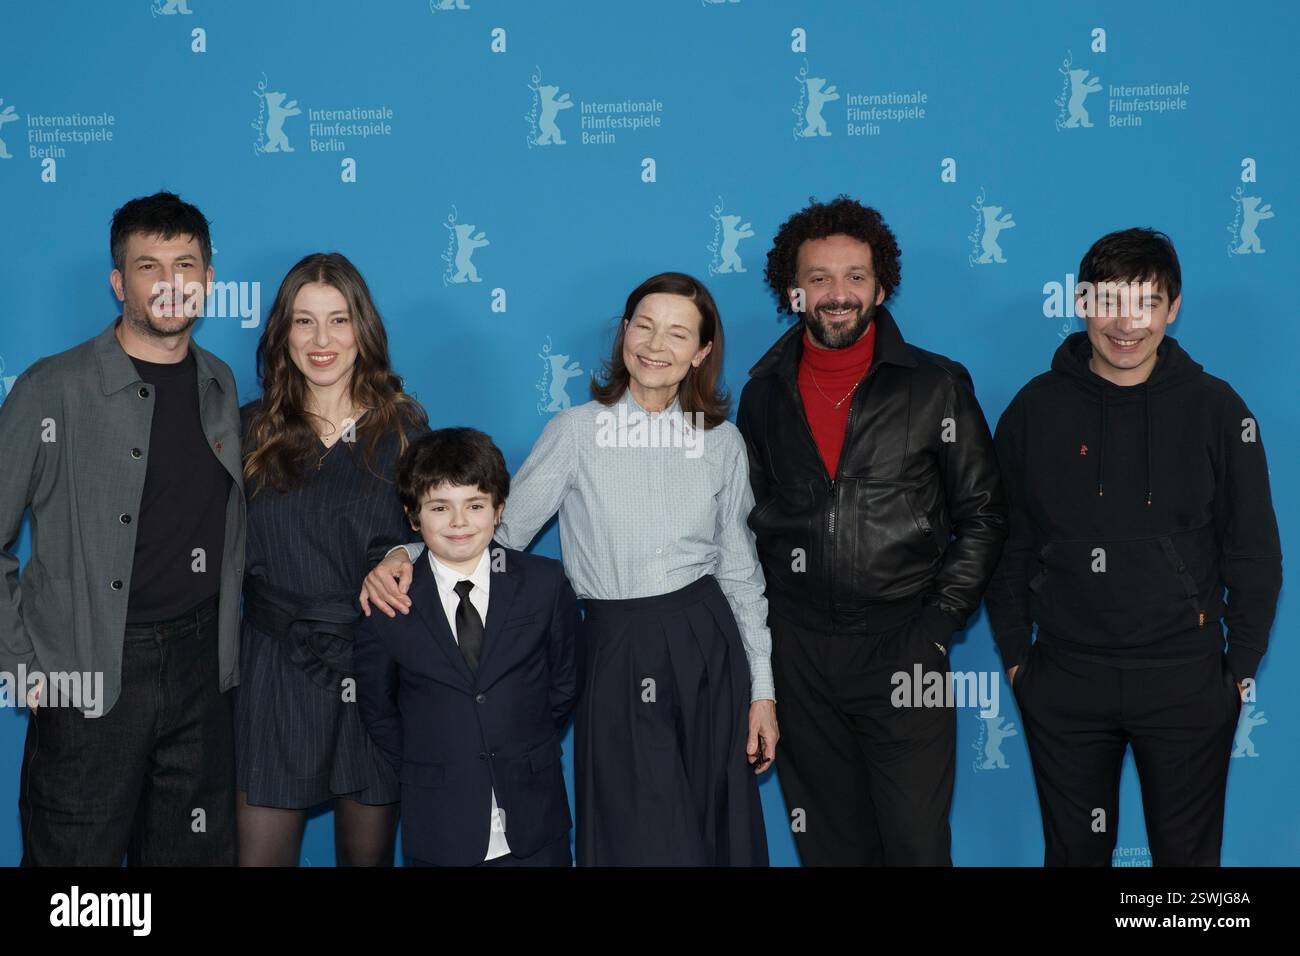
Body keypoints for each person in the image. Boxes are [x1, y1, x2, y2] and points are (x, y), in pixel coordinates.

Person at [362, 272, 774, 866]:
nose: (656, 345)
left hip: (708, 645)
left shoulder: (723, 443)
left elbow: (739, 572)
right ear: (624, 332)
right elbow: (495, 531)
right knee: (641, 832)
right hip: (614, 647)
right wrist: (405, 554)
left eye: (678, 334)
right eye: (645, 326)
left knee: (714, 826)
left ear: (701, 353)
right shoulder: (576, 433)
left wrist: (762, 691)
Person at [986, 227, 1282, 866]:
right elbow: (1005, 547)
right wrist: (1018, 661)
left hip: (1186, 683)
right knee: (1073, 856)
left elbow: (1254, 550)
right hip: (1064, 679)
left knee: (1186, 875)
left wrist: (1240, 672)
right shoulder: (1033, 413)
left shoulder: (1217, 410)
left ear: (1172, 308)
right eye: (1110, 301)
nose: (1127, 323)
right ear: (1083, 303)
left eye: (1146, 302)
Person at [738, 195, 1007, 865]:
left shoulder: (938, 385)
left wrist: (938, 624)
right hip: (799, 653)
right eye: (819, 278)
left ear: (881, 286)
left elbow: (984, 514)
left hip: (903, 649)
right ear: (793, 290)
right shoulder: (762, 393)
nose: (838, 294)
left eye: (856, 276)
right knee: (830, 847)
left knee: (915, 847)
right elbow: (747, 523)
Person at [1, 191, 245, 865]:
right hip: (88, 667)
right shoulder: (52, 389)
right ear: (119, 283)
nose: (170, 282)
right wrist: (21, 665)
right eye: (149, 265)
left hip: (202, 670)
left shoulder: (219, 383)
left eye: (185, 264)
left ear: (208, 282)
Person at [236, 252, 429, 866]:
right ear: (282, 333)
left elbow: (447, 529)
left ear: (362, 331)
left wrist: (405, 550)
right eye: (304, 321)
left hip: (371, 662)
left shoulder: (404, 429)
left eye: (339, 321)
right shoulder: (247, 429)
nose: (322, 340)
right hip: (273, 664)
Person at [353, 428, 579, 866]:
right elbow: (379, 710)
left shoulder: (544, 583)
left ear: (498, 510)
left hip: (535, 819)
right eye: (440, 508)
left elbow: (564, 683)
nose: (459, 523)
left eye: (475, 505)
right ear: (413, 516)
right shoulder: (387, 602)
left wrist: (519, 739)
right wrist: (431, 763)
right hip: (440, 821)